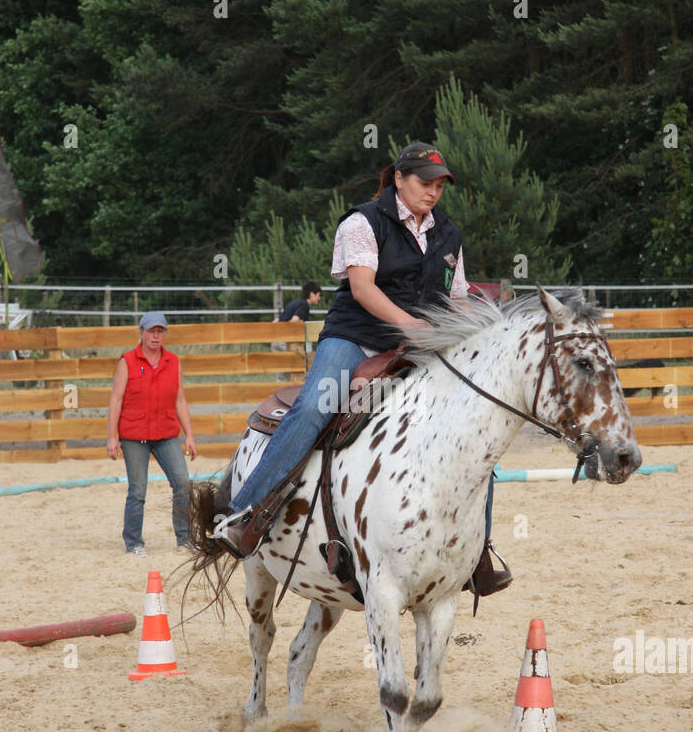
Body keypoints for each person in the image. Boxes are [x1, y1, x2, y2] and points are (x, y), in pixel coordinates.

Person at [215, 142, 511, 598]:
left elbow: (455, 295)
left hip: (414, 349)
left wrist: (484, 313)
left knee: (470, 428)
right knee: (314, 406)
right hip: (354, 339)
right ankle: (246, 512)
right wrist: (412, 323)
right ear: (399, 178)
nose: (433, 192)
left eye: (439, 185)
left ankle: (477, 553)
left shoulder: (447, 235)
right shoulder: (363, 223)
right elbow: (362, 287)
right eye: (424, 182)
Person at [106, 311, 198, 556]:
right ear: (142, 333)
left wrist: (189, 435)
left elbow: (180, 400)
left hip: (166, 434)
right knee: (138, 490)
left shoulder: (173, 362)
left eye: (160, 331)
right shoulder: (126, 362)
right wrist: (112, 437)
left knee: (182, 483)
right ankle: (134, 542)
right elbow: (116, 400)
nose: (156, 336)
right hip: (134, 436)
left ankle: (185, 538)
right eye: (151, 331)